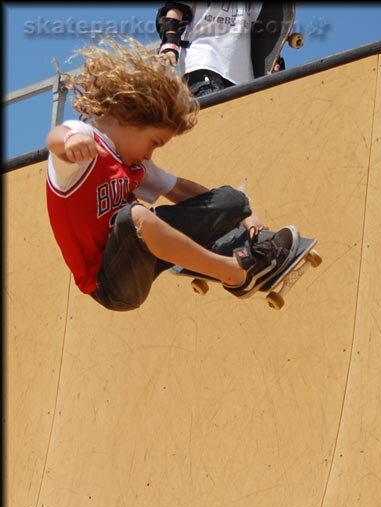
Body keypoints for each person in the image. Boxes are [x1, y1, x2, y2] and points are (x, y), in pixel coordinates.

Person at [45, 37, 299, 312]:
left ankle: (248, 252)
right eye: (154, 142)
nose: (150, 155)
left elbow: (184, 192)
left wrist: (244, 213)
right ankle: (233, 273)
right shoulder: (84, 145)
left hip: (146, 254)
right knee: (136, 216)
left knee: (233, 200)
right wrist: (69, 141)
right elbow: (54, 139)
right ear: (130, 117)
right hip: (110, 283)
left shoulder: (137, 167)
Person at [155, 2, 284, 97]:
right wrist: (170, 44)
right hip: (204, 62)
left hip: (242, 78)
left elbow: (265, 33)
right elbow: (176, 7)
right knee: (214, 119)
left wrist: (271, 63)